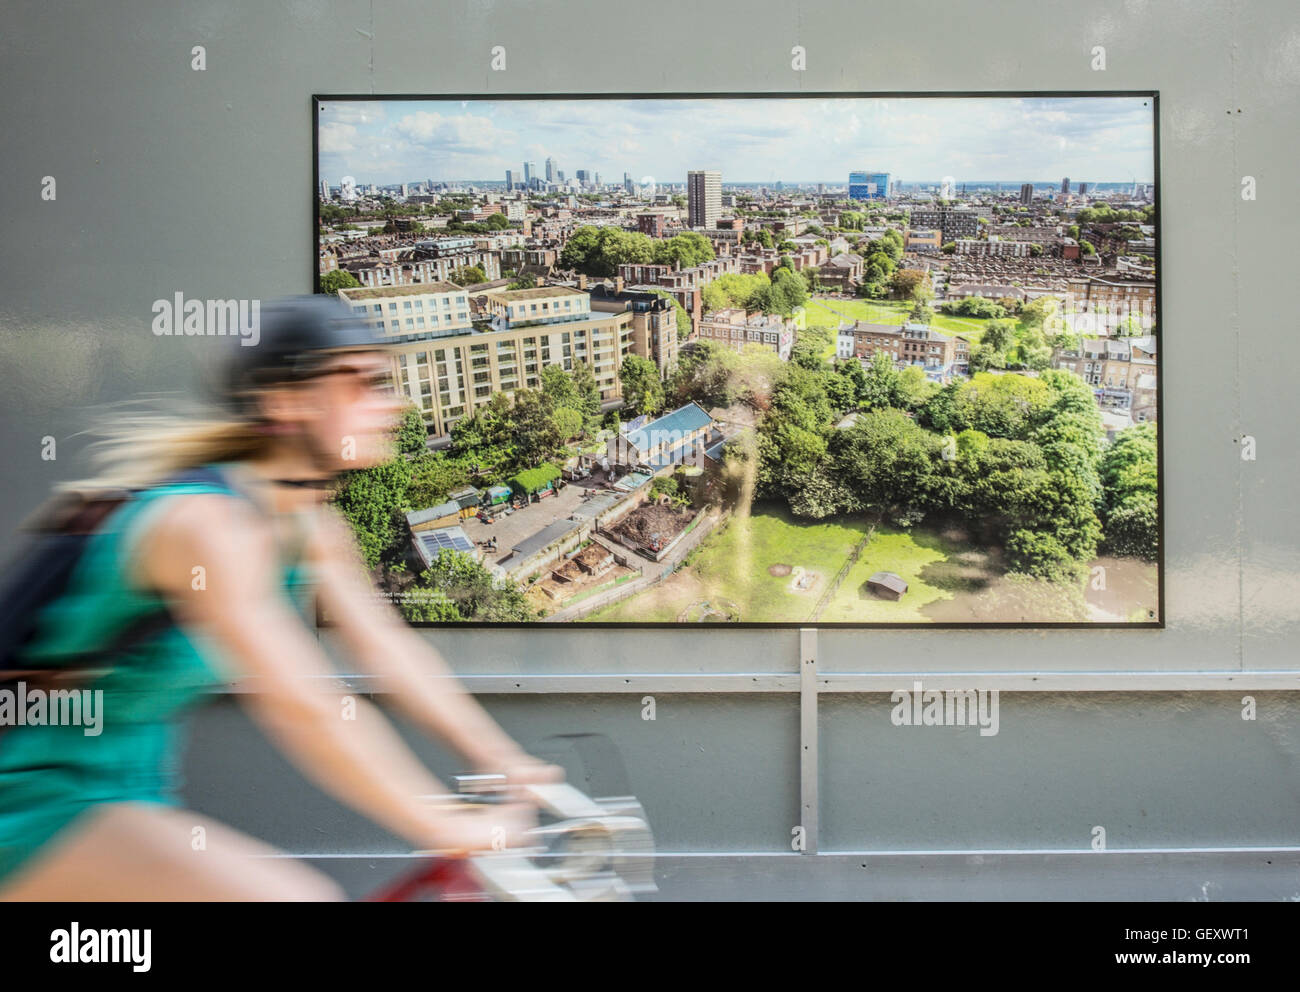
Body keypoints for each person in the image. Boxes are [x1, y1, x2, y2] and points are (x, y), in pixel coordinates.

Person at [0, 296, 562, 901]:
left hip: (125, 785)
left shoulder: (310, 525)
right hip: (35, 795)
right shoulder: (207, 527)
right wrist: (446, 826)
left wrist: (502, 758)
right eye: (362, 383)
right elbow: (306, 706)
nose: (392, 402)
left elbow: (393, 655)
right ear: (284, 400)